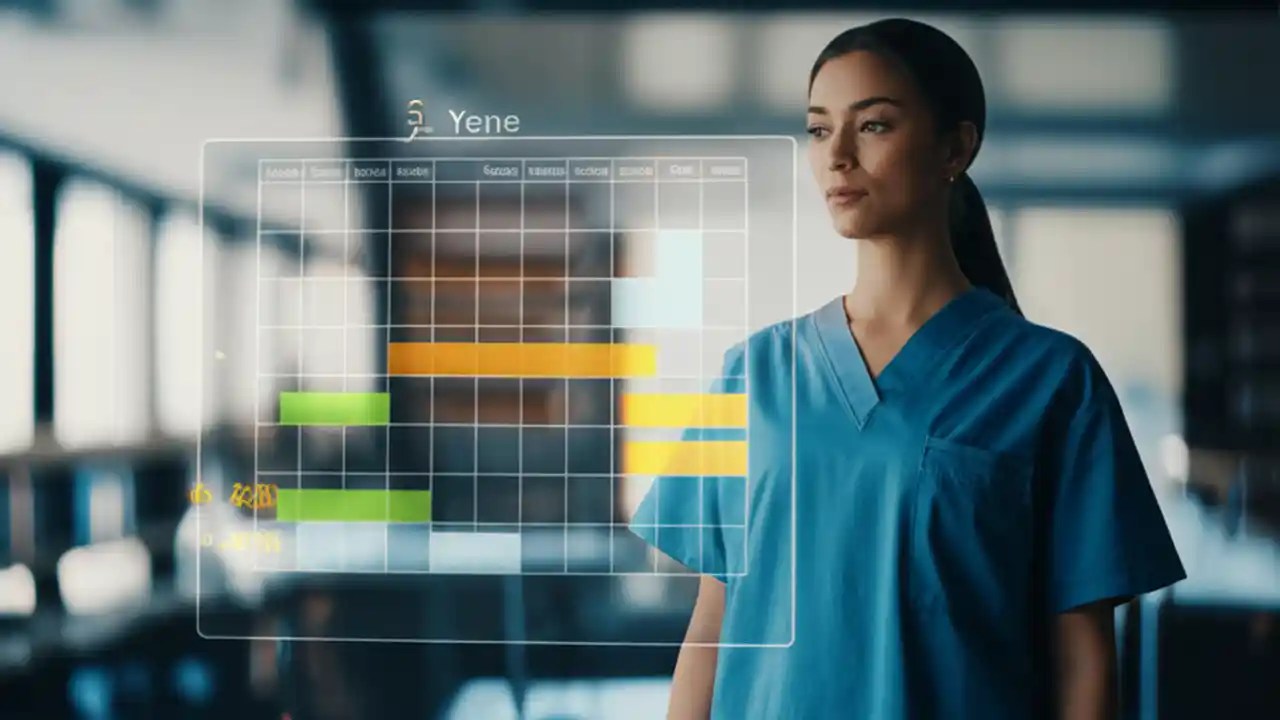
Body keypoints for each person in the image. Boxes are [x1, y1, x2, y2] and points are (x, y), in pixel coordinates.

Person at [628, 17, 1186, 719]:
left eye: (874, 126)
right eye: (818, 128)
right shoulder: (755, 374)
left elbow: (1085, 661)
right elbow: (711, 628)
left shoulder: (1050, 382)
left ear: (955, 146)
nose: (836, 156)